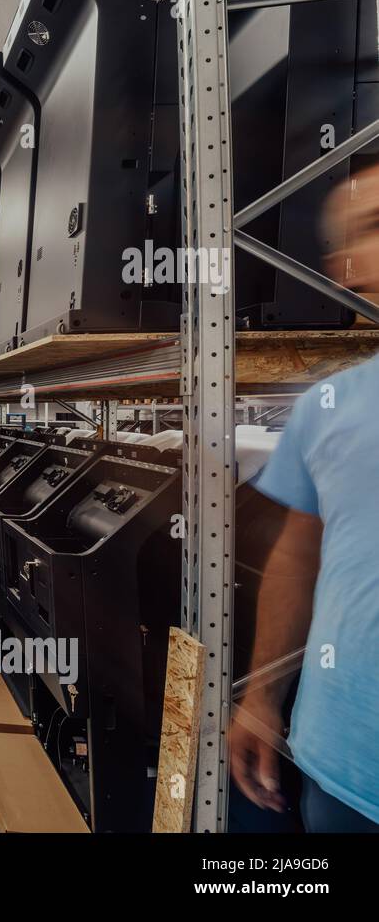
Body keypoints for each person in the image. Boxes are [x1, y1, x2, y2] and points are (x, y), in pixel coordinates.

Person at [229, 169, 379, 832]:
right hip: (340, 775)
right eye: (374, 226)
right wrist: (261, 697)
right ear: (343, 267)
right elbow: (297, 552)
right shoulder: (328, 404)